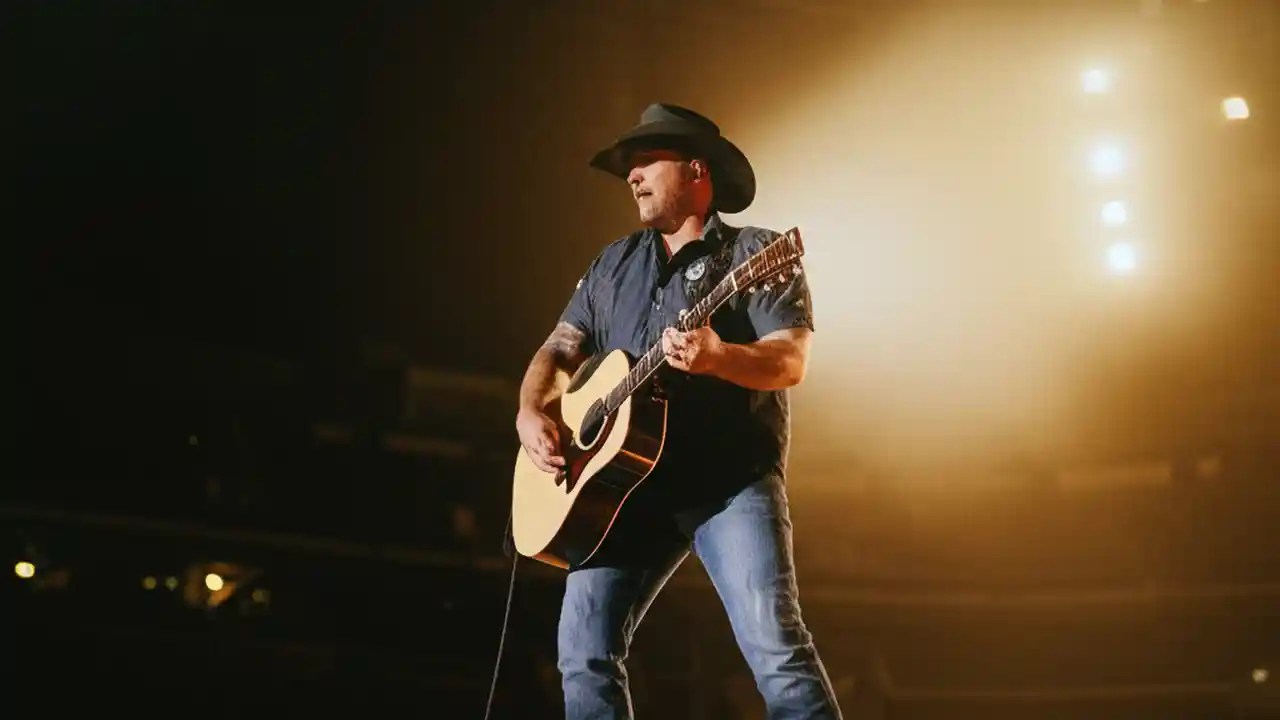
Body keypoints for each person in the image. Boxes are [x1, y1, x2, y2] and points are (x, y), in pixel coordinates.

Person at [514, 103, 843, 719]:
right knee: (582, 655)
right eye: (628, 168)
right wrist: (533, 409)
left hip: (727, 482)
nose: (631, 176)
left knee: (775, 648)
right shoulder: (612, 264)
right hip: (621, 489)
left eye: (645, 162)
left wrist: (719, 357)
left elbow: (788, 362)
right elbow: (560, 348)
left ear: (696, 168)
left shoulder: (755, 252)